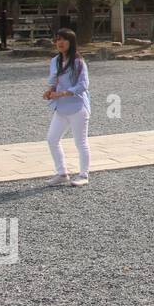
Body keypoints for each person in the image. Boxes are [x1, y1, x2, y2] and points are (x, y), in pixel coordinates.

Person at [42, 27, 90, 187]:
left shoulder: (78, 61)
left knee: (80, 142)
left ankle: (84, 175)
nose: (60, 42)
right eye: (58, 39)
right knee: (52, 139)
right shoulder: (54, 61)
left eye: (64, 39)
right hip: (61, 108)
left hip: (77, 107)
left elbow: (83, 85)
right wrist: (49, 91)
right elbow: (52, 80)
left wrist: (63, 93)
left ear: (71, 42)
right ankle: (62, 173)